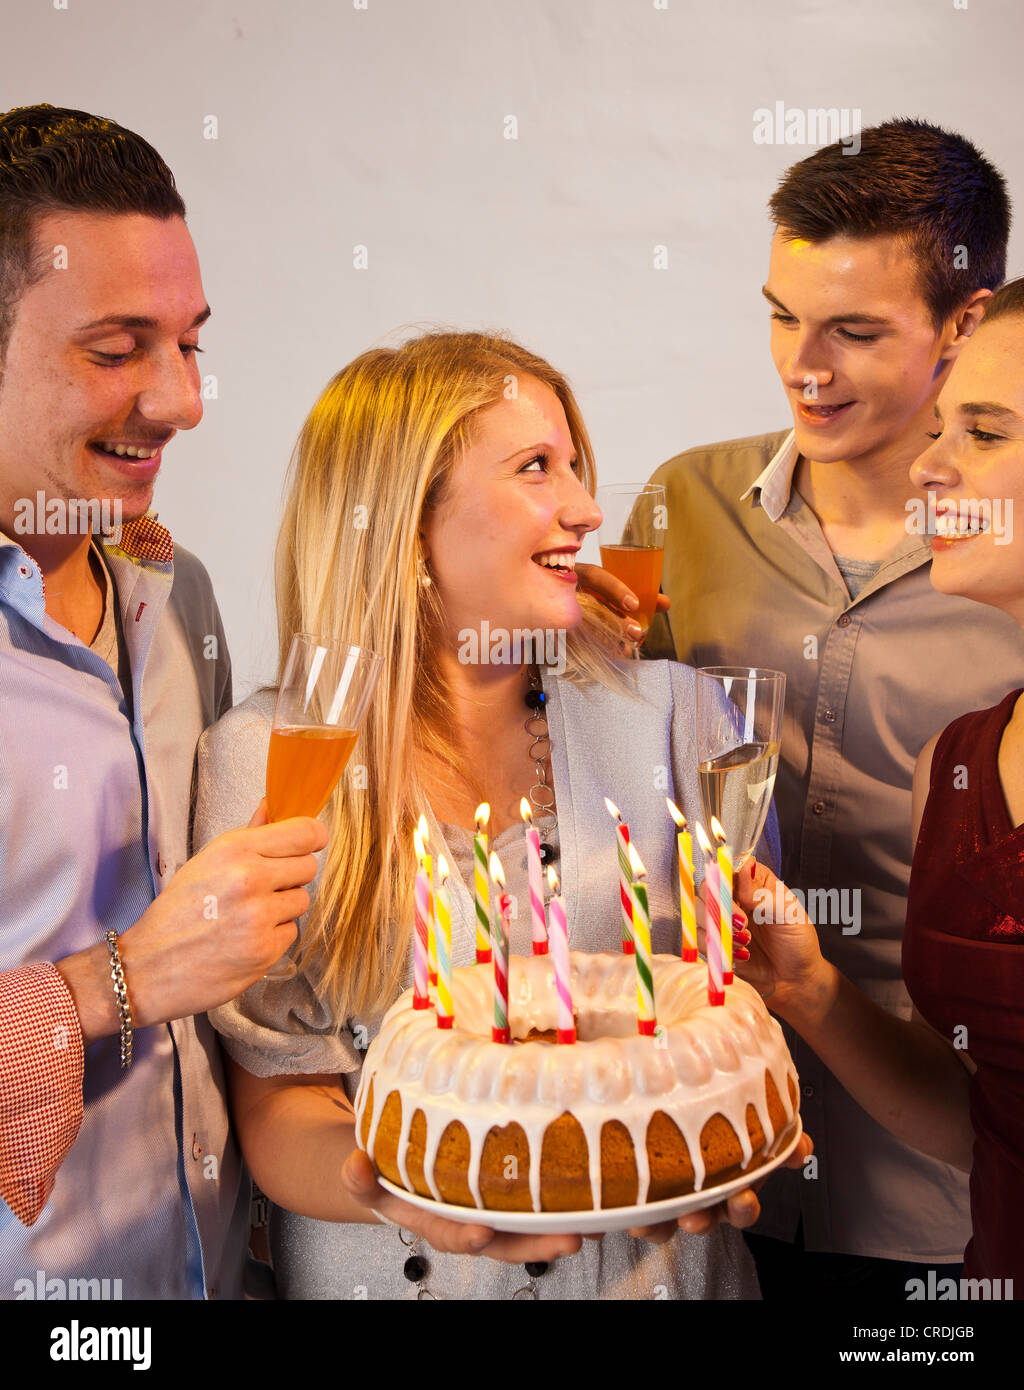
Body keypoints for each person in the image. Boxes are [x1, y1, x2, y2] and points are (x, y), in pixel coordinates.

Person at [193, 329, 804, 1300]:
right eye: (534, 469)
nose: (585, 508)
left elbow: (730, 1016)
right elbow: (276, 1097)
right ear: (403, 523)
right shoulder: (267, 756)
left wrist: (724, 1141)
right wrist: (404, 1193)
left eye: (574, 466)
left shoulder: (677, 717)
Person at [580, 118, 1024, 1295]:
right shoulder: (683, 502)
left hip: (942, 1194)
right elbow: (594, 757)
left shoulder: (1007, 557)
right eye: (781, 315)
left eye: (853, 331)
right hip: (721, 1155)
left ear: (965, 323)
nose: (801, 366)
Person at [0, 105, 326, 1299]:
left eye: (189, 343)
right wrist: (122, 978)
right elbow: (163, 961)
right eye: (117, 348)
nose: (183, 400)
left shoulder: (171, 585)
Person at [731, 274, 1024, 1292]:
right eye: (940, 426)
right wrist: (812, 992)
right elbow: (978, 1114)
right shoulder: (959, 763)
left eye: (983, 432)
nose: (930, 469)